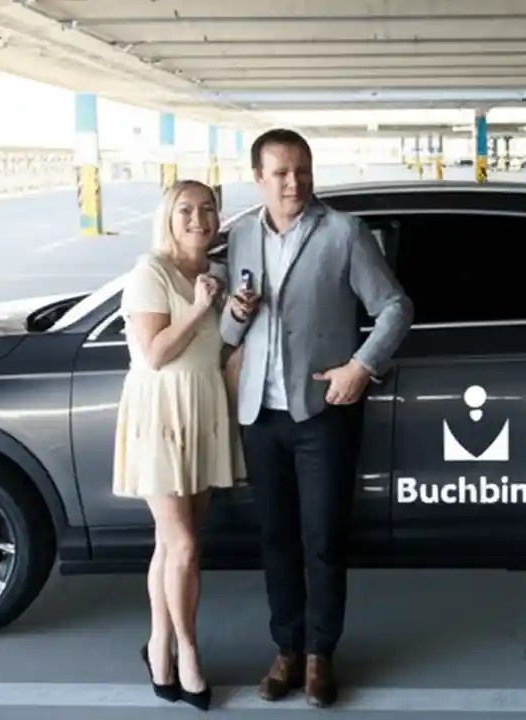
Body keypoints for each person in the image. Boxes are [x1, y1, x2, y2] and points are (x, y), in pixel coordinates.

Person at [221, 129, 413, 708]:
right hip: (260, 414)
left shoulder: (343, 232)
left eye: (302, 170)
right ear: (259, 178)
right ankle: (286, 649)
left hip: (323, 412)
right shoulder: (242, 235)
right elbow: (230, 330)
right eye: (281, 173)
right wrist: (236, 313)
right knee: (275, 538)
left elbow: (395, 307)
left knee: (323, 539)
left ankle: (319, 656)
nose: (294, 182)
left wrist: (362, 366)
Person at [113, 179, 244, 712]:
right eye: (186, 210)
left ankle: (159, 644)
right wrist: (198, 307)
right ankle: (188, 651)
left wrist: (238, 314)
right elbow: (155, 353)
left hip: (203, 411)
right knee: (185, 545)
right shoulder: (151, 271)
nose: (198, 219)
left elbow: (222, 350)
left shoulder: (217, 273)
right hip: (161, 414)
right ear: (168, 218)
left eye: (207, 209)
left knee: (172, 545)